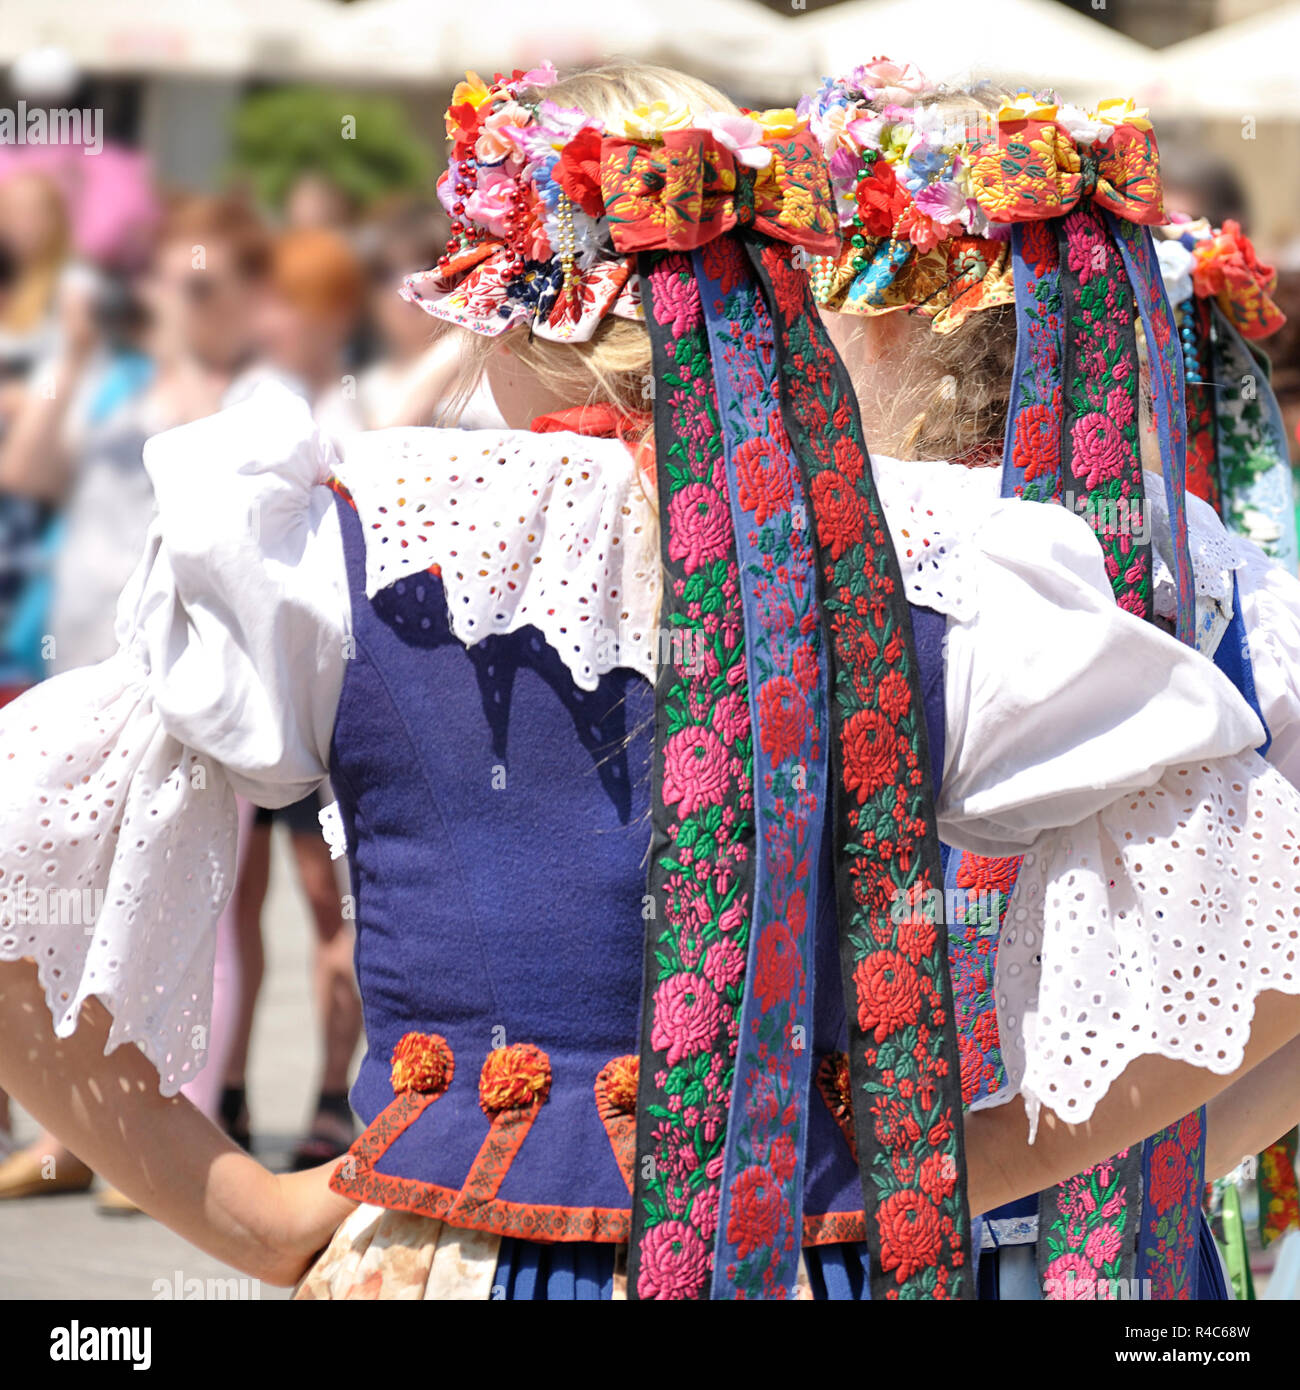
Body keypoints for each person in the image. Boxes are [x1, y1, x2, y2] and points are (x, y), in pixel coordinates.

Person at [3, 60, 1300, 1303]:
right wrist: (961, 1169)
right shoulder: (925, 560)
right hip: (806, 1258)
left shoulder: (366, 533)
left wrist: (238, 1204)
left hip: (444, 1254)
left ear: (501, 295)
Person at [803, 62, 1300, 1298]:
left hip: (832, 1215)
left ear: (875, 315)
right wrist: (1140, 1165)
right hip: (1120, 1231)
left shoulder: (818, 563)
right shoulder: (1222, 573)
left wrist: (957, 1171)